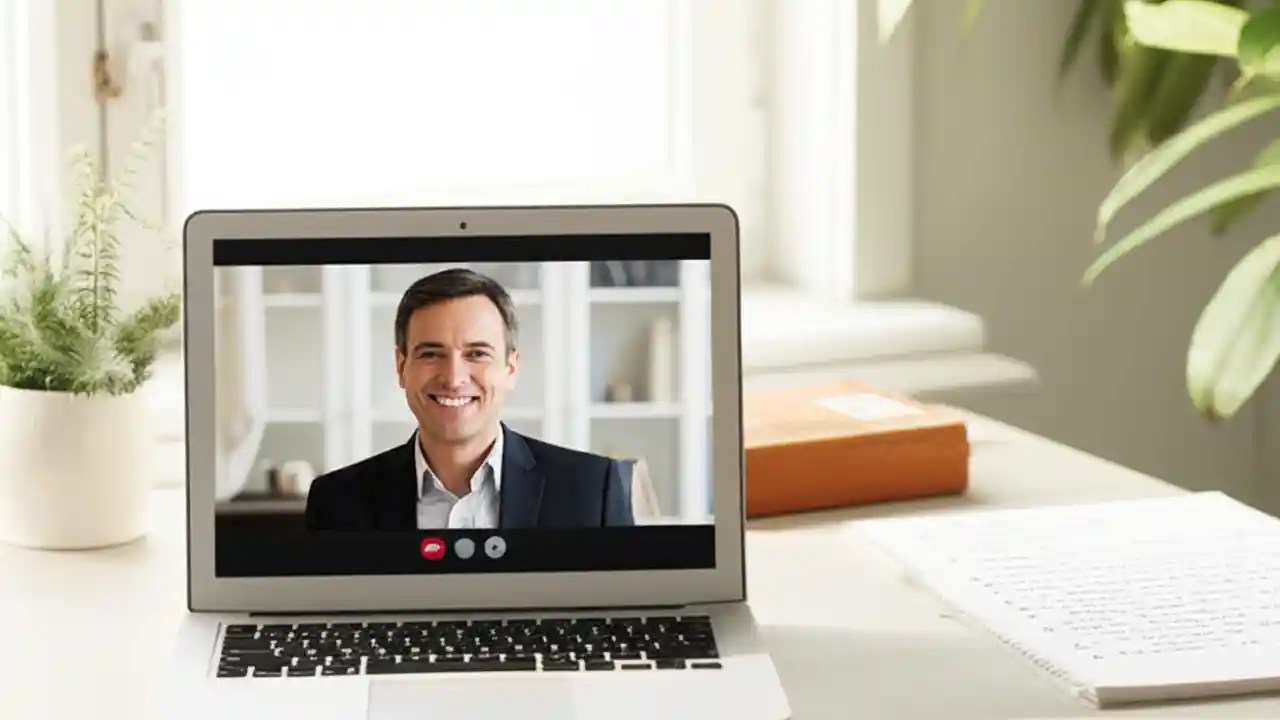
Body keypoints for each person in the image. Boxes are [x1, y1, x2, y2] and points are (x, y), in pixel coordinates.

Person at [305, 268, 635, 530]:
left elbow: (624, 608)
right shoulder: (336, 501)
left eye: (477, 353)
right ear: (402, 367)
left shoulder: (594, 489)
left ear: (511, 368)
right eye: (431, 353)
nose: (453, 378)